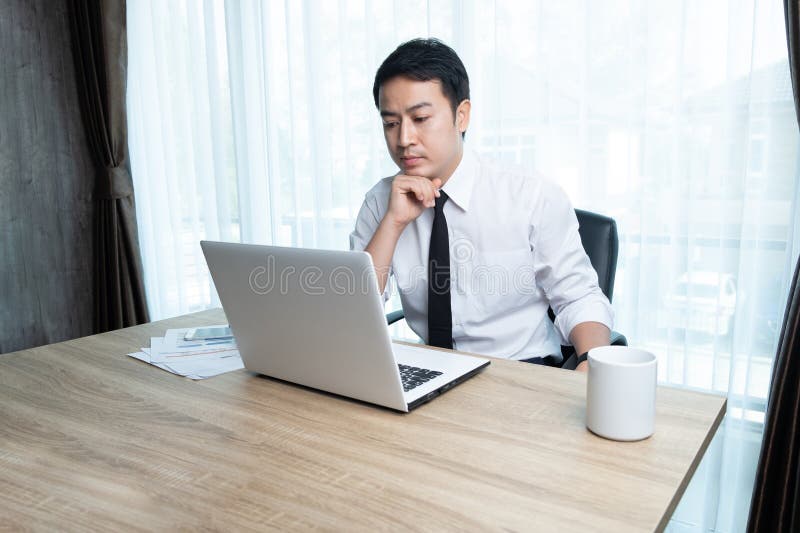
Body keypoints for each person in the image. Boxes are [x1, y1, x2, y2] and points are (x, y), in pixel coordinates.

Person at [349, 38, 613, 372]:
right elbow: (353, 316)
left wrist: (589, 362)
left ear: (462, 116)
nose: (404, 139)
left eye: (421, 118)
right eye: (391, 123)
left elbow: (579, 297)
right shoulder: (380, 203)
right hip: (429, 372)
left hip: (520, 369)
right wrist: (393, 223)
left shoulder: (529, 195)